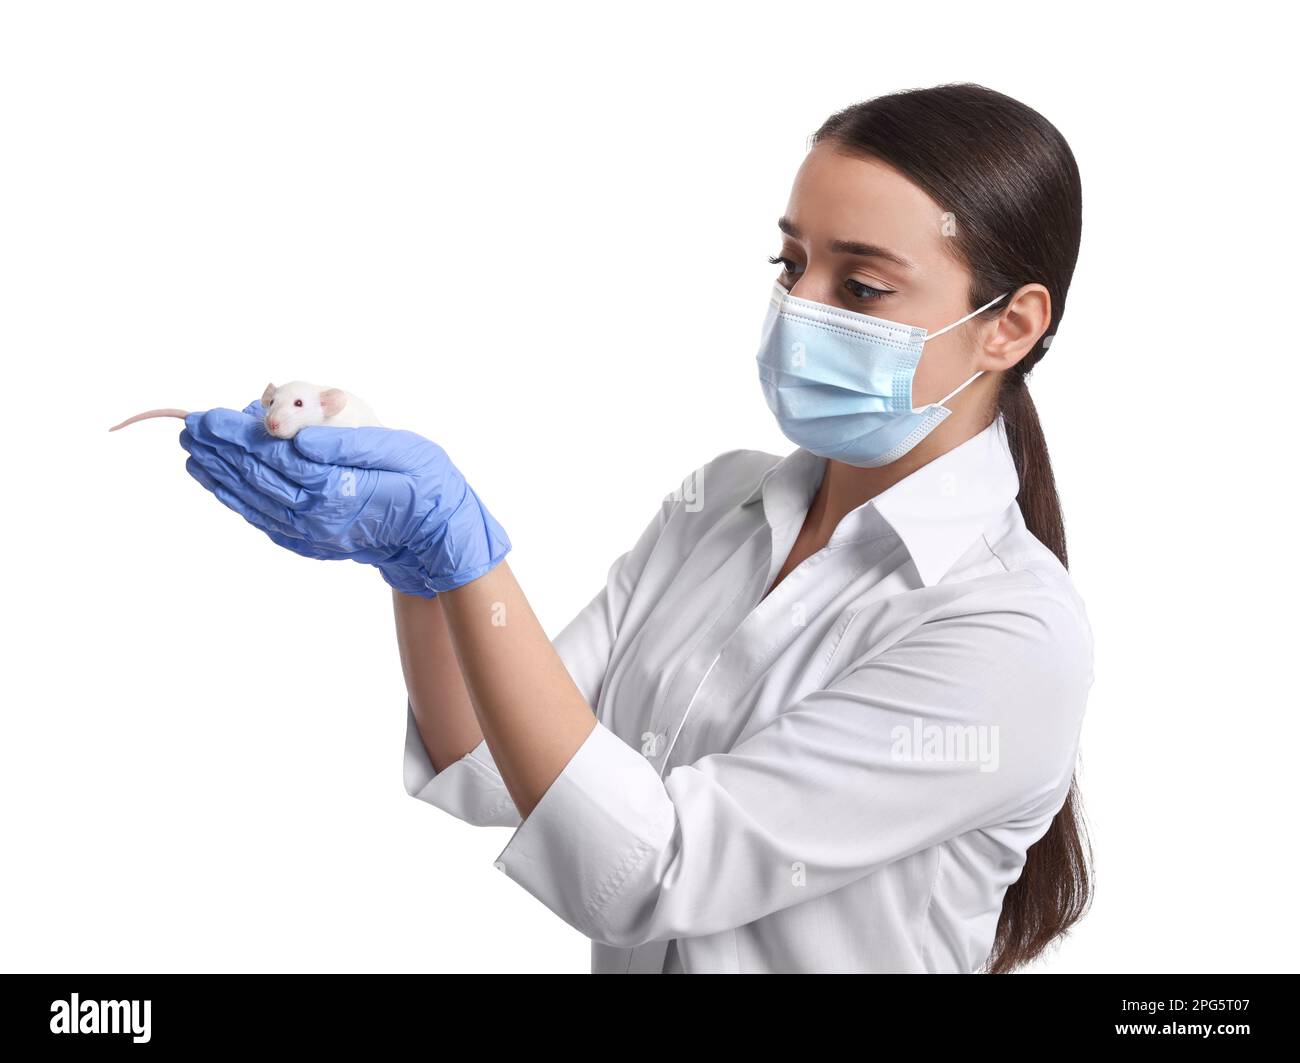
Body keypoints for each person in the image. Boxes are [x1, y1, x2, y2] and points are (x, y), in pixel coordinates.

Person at [179, 82, 1095, 974]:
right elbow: (492, 757)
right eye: (791, 264)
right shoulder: (725, 506)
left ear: (1009, 327)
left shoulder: (1009, 630)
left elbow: (654, 870)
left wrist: (467, 555)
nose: (799, 309)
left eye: (859, 287)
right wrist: (421, 570)